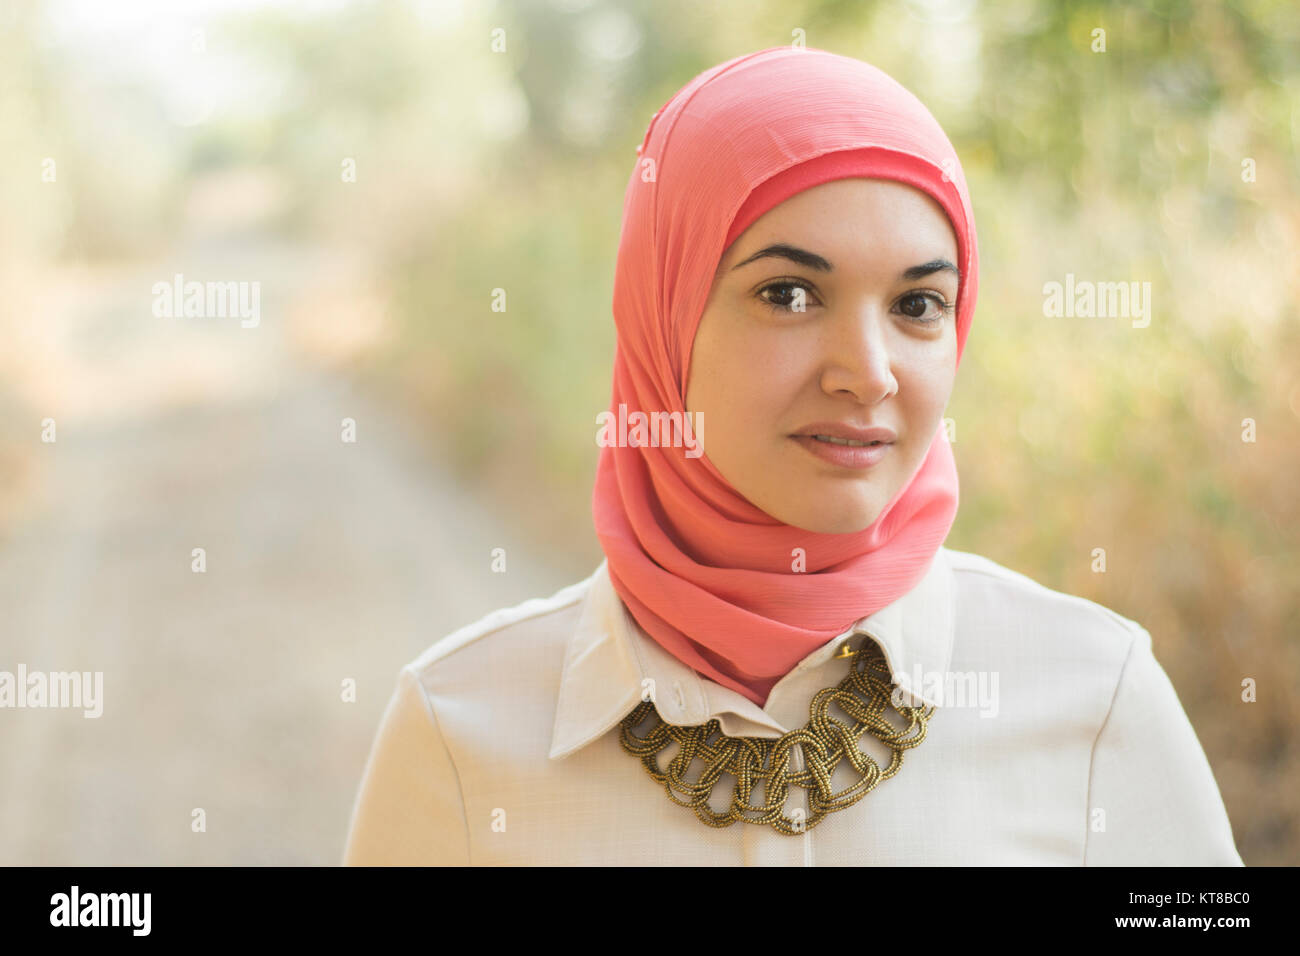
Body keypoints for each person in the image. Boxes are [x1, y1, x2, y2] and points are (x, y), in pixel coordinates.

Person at [342, 46, 1243, 865]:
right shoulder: (461, 731)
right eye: (789, 293)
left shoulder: (1092, 697)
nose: (869, 373)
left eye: (917, 305)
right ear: (666, 316)